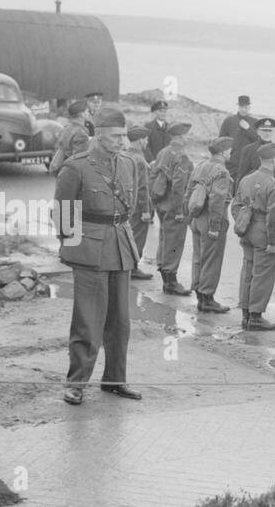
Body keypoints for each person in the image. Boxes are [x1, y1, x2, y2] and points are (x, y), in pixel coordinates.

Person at [53, 106, 142, 405]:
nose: (121, 141)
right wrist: (73, 251)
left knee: (120, 322)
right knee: (88, 320)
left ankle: (115, 380)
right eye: (116, 136)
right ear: (99, 134)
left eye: (124, 135)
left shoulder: (128, 164)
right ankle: (76, 382)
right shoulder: (76, 166)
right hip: (89, 250)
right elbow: (64, 214)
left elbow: (129, 207)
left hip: (120, 246)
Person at [233, 143, 275, 332]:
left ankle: (246, 314)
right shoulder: (274, 184)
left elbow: (235, 205)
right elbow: (273, 217)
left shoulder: (246, 179)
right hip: (263, 232)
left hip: (247, 230)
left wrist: (242, 223)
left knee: (248, 271)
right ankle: (256, 316)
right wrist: (272, 241)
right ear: (273, 160)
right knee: (262, 275)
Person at [184, 137, 234, 313]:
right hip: (211, 220)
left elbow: (188, 192)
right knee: (212, 260)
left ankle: (200, 296)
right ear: (222, 152)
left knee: (198, 258)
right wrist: (214, 226)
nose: (231, 152)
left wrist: (189, 217)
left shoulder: (200, 166)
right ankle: (208, 299)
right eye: (229, 150)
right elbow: (217, 201)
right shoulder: (221, 171)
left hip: (197, 218)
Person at [150, 121, 195, 295]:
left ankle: (165, 274)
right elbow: (178, 187)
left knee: (164, 238)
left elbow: (153, 175)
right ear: (182, 136)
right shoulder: (181, 156)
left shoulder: (163, 152)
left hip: (161, 202)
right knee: (174, 242)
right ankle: (171, 281)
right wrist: (179, 211)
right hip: (173, 205)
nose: (188, 137)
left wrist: (155, 202)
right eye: (187, 135)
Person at [125, 126, 155, 279]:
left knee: (129, 235)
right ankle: (133, 268)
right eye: (145, 139)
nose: (147, 141)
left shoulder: (126, 155)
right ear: (139, 140)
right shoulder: (140, 160)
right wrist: (145, 210)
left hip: (128, 203)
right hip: (138, 205)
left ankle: (129, 267)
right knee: (138, 237)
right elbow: (142, 187)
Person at [235, 117, 275, 192]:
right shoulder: (248, 150)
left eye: (270, 131)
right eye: (264, 130)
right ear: (258, 132)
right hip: (256, 195)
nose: (267, 133)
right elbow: (241, 177)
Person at [219, 95, 260, 182]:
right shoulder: (229, 121)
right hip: (231, 163)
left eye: (246, 107)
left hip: (249, 165)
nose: (244, 109)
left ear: (249, 107)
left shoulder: (255, 122)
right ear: (238, 106)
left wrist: (248, 129)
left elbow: (259, 141)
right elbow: (220, 141)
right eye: (241, 107)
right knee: (229, 187)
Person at [50, 99, 90, 174]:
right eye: (87, 111)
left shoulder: (65, 128)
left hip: (62, 170)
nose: (89, 113)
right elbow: (80, 160)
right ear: (82, 114)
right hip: (73, 174)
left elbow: (57, 148)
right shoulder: (81, 133)